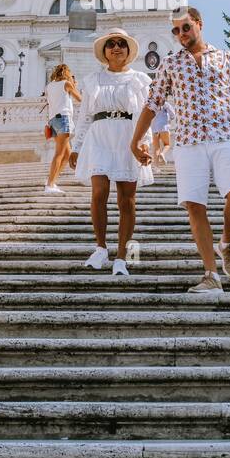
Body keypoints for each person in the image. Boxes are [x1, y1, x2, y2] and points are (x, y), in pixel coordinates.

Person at [130, 5, 230, 293]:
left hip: (224, 136)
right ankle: (211, 275)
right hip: (188, 141)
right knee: (194, 205)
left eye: (186, 27)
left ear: (200, 24)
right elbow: (153, 103)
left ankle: (226, 243)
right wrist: (136, 139)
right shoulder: (170, 64)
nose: (181, 34)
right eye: (176, 30)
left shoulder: (228, 59)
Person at [69, 28, 153, 276]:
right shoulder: (92, 80)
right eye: (111, 44)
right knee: (99, 192)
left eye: (121, 44)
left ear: (128, 51)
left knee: (126, 199)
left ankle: (122, 258)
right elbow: (84, 116)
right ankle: (100, 247)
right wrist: (76, 146)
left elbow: (145, 115)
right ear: (104, 52)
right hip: (99, 135)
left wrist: (143, 143)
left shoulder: (139, 79)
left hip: (128, 135)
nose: (116, 47)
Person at [43, 63, 82, 193]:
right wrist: (74, 86)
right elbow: (80, 99)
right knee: (59, 154)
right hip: (63, 119)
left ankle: (51, 180)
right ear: (66, 73)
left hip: (53, 120)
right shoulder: (66, 83)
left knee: (67, 155)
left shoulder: (49, 86)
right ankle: (50, 184)